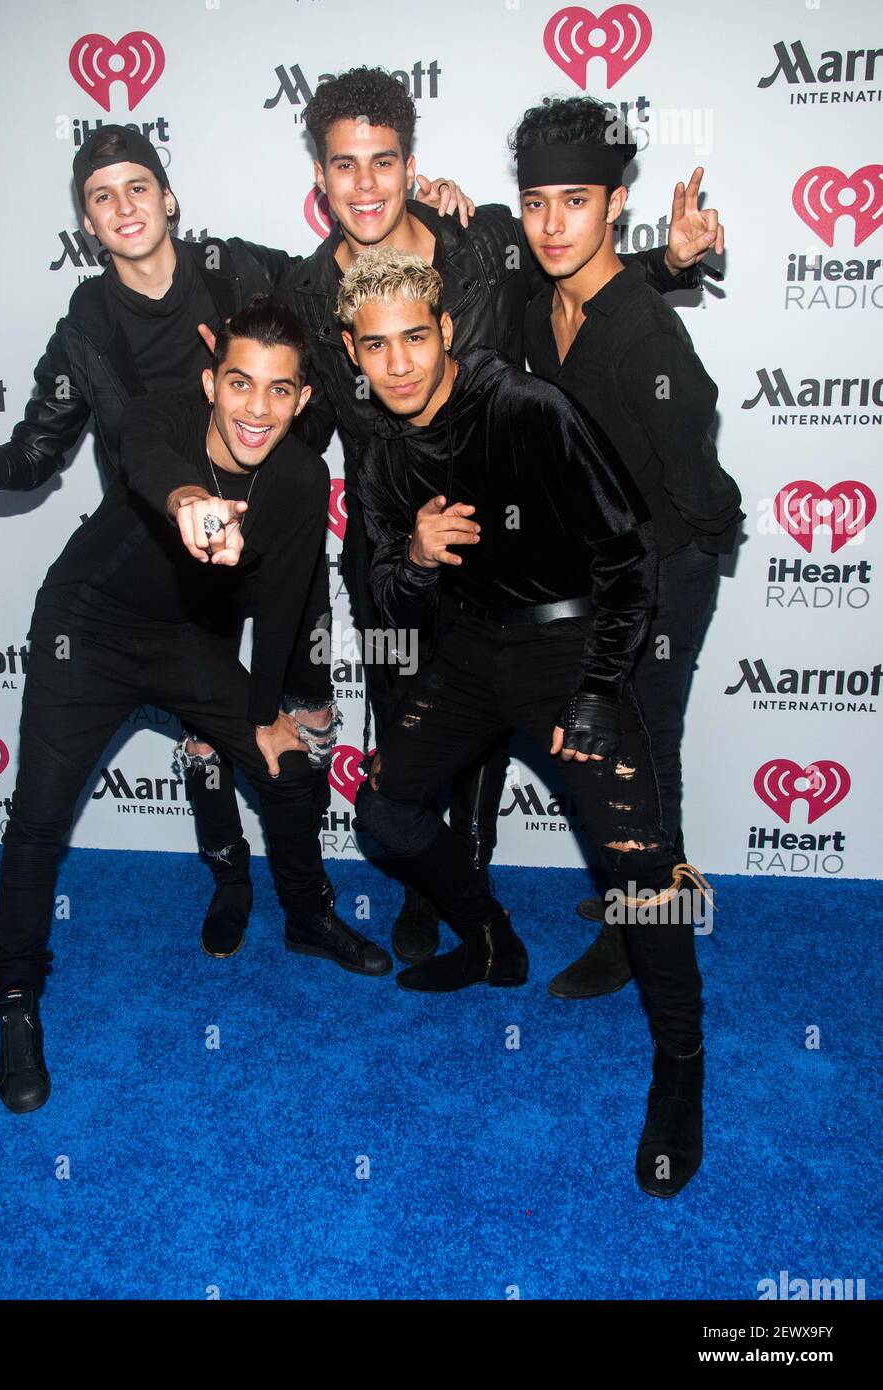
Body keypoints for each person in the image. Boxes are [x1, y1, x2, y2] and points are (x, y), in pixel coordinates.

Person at [0, 123, 463, 954]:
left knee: (296, 726)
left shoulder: (237, 269)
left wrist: (426, 218)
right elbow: (44, 448)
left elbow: (335, 287)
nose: (124, 206)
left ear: (167, 198)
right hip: (169, 556)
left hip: (276, 535)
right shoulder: (87, 324)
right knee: (209, 742)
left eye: (138, 187)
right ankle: (229, 881)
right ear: (89, 224)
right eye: (102, 197)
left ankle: (307, 898)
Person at [283, 66, 719, 966]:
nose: (366, 183)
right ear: (319, 180)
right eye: (345, 166)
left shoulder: (475, 242)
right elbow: (570, 275)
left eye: (384, 161)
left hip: (545, 543)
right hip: (396, 526)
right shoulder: (304, 289)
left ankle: (632, 926)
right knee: (414, 702)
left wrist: (668, 265)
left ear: (411, 165)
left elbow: (578, 270)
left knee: (634, 745)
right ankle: (441, 886)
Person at [342, 248, 709, 1197]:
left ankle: (680, 1069)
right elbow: (388, 605)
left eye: (415, 338)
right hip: (467, 651)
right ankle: (491, 932)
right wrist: (417, 556)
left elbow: (631, 561)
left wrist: (596, 689)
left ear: (445, 331)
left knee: (640, 862)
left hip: (567, 648)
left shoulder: (527, 407)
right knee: (383, 811)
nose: (400, 364)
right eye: (377, 347)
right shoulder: (381, 452)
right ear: (354, 351)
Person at [0, 297, 392, 1116]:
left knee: (286, 767)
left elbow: (283, 604)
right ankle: (15, 1002)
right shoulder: (162, 417)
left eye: (279, 391)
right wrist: (187, 502)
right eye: (240, 384)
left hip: (179, 640)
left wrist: (261, 713)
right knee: (37, 819)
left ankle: (309, 917)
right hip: (87, 631)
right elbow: (143, 454)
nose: (256, 408)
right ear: (211, 381)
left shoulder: (301, 477)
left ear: (304, 400)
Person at [513, 97, 742, 1000]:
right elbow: (591, 287)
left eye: (577, 200)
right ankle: (635, 885)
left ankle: (645, 917)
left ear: (615, 202)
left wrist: (682, 563)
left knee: (646, 744)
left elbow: (698, 478)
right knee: (609, 741)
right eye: (537, 204)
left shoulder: (648, 333)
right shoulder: (542, 313)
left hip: (664, 567)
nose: (553, 224)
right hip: (599, 569)